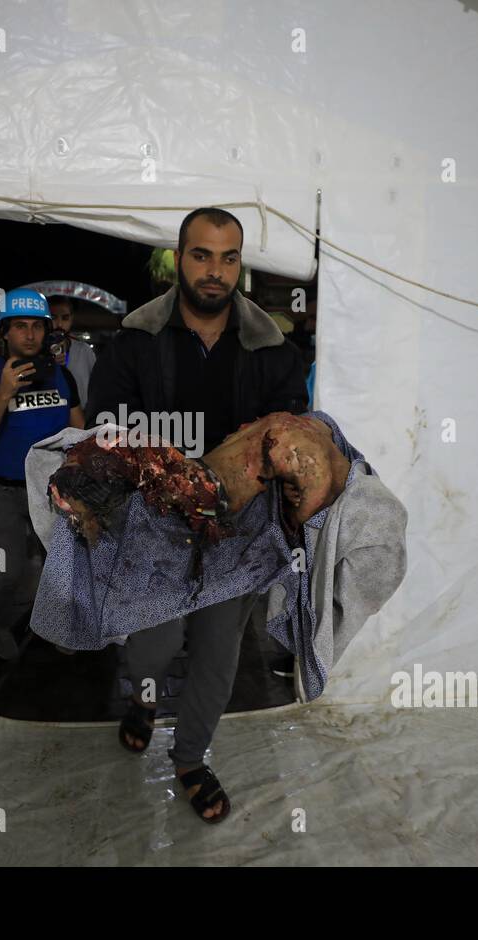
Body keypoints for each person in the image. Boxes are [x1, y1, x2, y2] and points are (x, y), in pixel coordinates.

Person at [83, 207, 309, 822]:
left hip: (237, 535)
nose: (215, 271)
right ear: (179, 259)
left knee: (217, 651)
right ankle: (142, 695)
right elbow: (109, 429)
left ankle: (189, 758)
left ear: (241, 265)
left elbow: (288, 436)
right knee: (153, 641)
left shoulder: (272, 350)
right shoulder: (135, 343)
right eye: (202, 255)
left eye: (229, 257)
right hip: (157, 531)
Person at [0, 287, 85, 661]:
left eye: (37, 326)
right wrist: (4, 392)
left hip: (51, 490)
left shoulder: (62, 376)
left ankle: (55, 625)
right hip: (1, 490)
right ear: (4, 332)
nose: (29, 334)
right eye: (19, 326)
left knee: (61, 564)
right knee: (7, 568)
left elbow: (78, 430)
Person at [47, 296, 98, 409]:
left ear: (71, 318)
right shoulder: (36, 351)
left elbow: (97, 386)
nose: (59, 324)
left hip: (82, 416)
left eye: (65, 318)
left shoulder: (84, 350)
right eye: (53, 317)